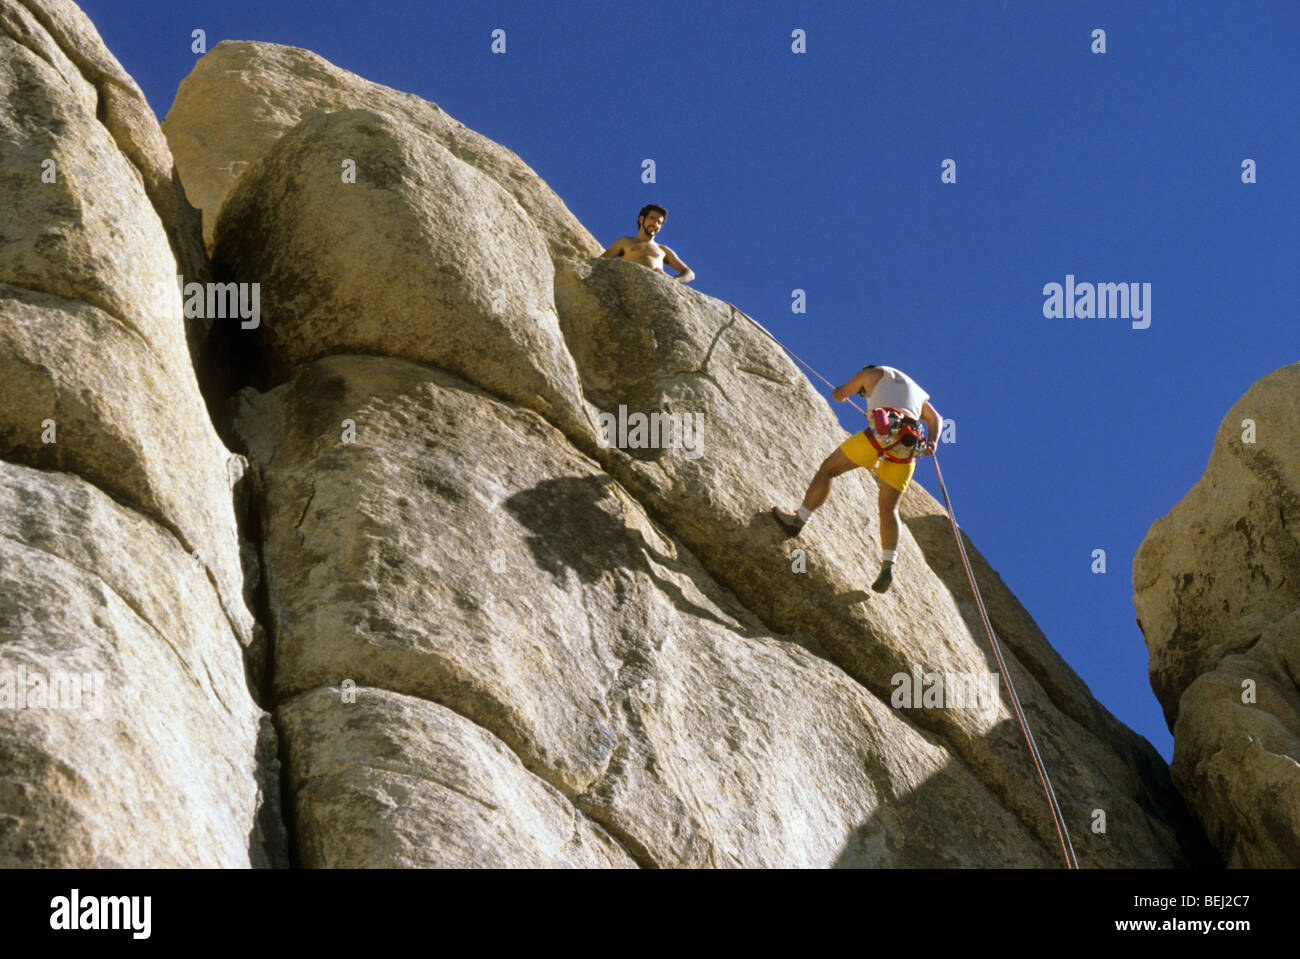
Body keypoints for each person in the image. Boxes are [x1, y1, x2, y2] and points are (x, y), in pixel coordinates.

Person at [772, 365, 942, 593]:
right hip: (908, 447)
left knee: (829, 470)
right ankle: (888, 563)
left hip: (880, 435)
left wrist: (852, 394)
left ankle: (799, 520)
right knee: (889, 508)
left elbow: (838, 394)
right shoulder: (917, 394)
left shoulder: (872, 374)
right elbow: (936, 418)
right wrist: (933, 442)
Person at [600, 204, 695, 283]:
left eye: (659, 222)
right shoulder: (625, 242)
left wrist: (673, 280)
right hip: (628, 282)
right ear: (641, 219)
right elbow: (600, 262)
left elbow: (689, 273)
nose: (655, 224)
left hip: (655, 284)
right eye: (652, 219)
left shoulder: (663, 250)